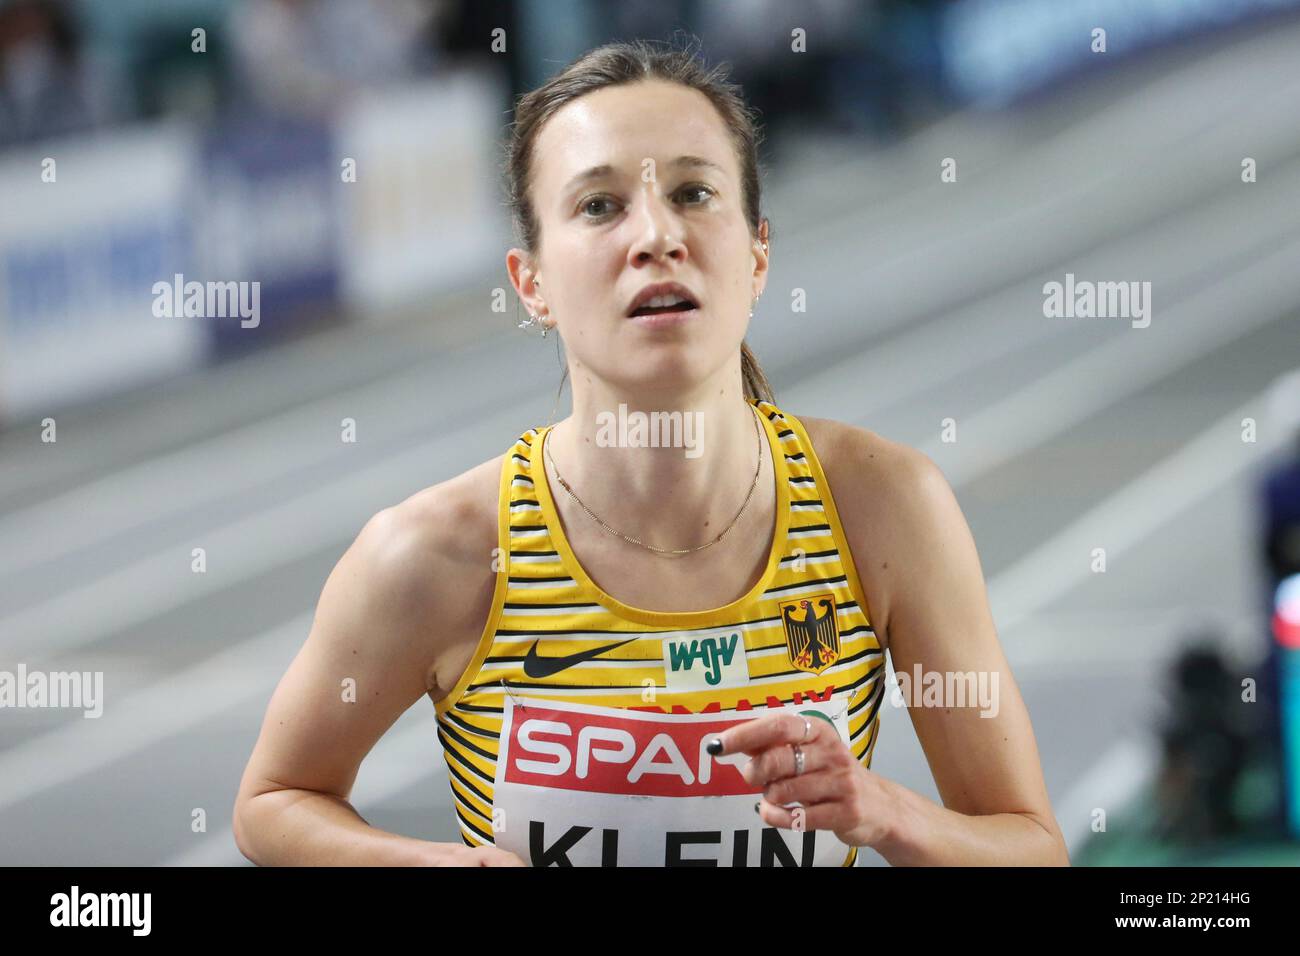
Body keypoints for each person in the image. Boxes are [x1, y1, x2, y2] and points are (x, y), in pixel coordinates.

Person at [233, 37, 1068, 867]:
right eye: (599, 206)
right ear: (532, 284)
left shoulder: (883, 510)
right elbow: (274, 802)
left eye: (694, 192)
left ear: (757, 254)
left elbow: (1030, 848)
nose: (657, 235)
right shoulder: (434, 554)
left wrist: (887, 812)